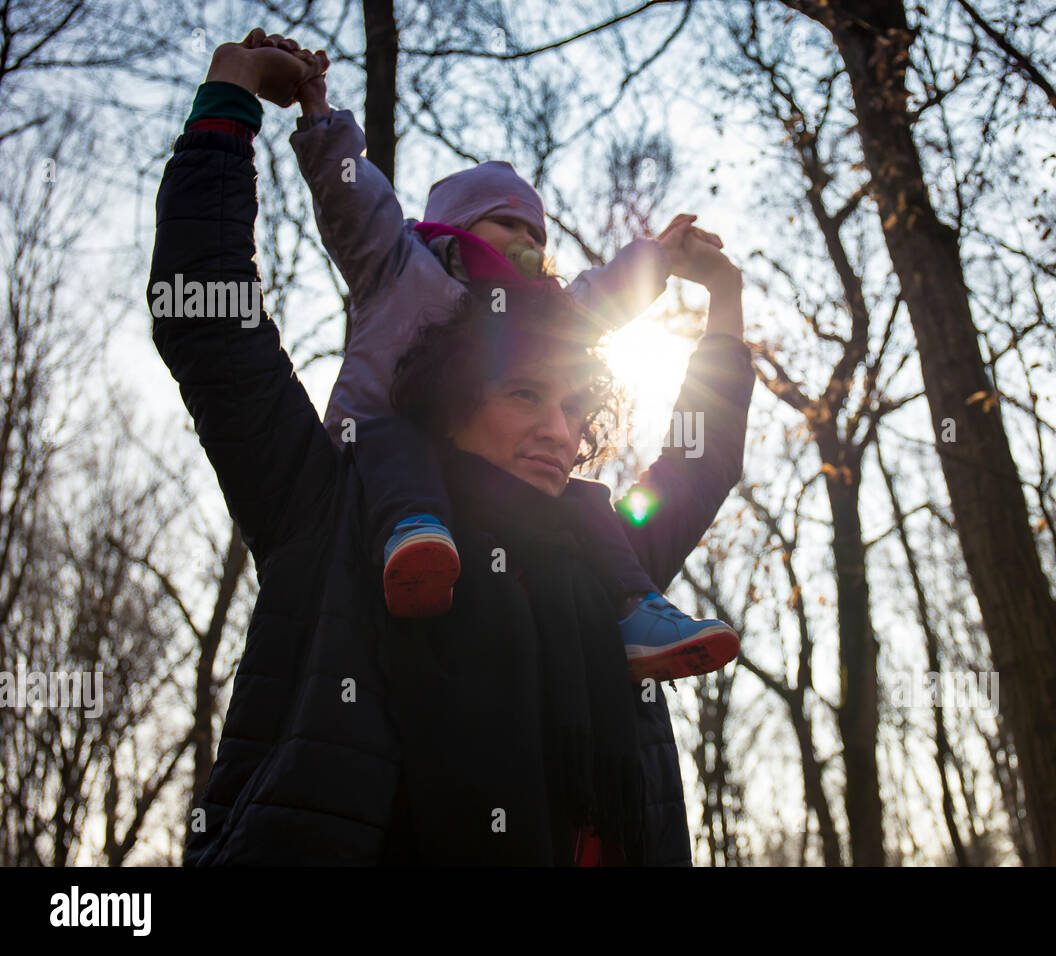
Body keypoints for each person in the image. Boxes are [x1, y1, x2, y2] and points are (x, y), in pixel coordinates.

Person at [151, 35, 755, 865]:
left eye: (578, 408)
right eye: (524, 395)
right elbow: (208, 319)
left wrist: (725, 301)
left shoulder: (610, 558)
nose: (561, 431)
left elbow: (702, 456)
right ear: (446, 403)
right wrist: (231, 97)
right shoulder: (336, 521)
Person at [213, 30, 738, 683]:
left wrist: (659, 256)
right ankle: (414, 537)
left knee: (588, 501)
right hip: (374, 454)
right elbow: (353, 197)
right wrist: (316, 112)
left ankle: (632, 605)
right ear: (456, 226)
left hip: (482, 481)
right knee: (400, 448)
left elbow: (605, 294)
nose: (525, 239)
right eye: (506, 222)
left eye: (535, 233)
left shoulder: (537, 316)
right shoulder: (398, 262)